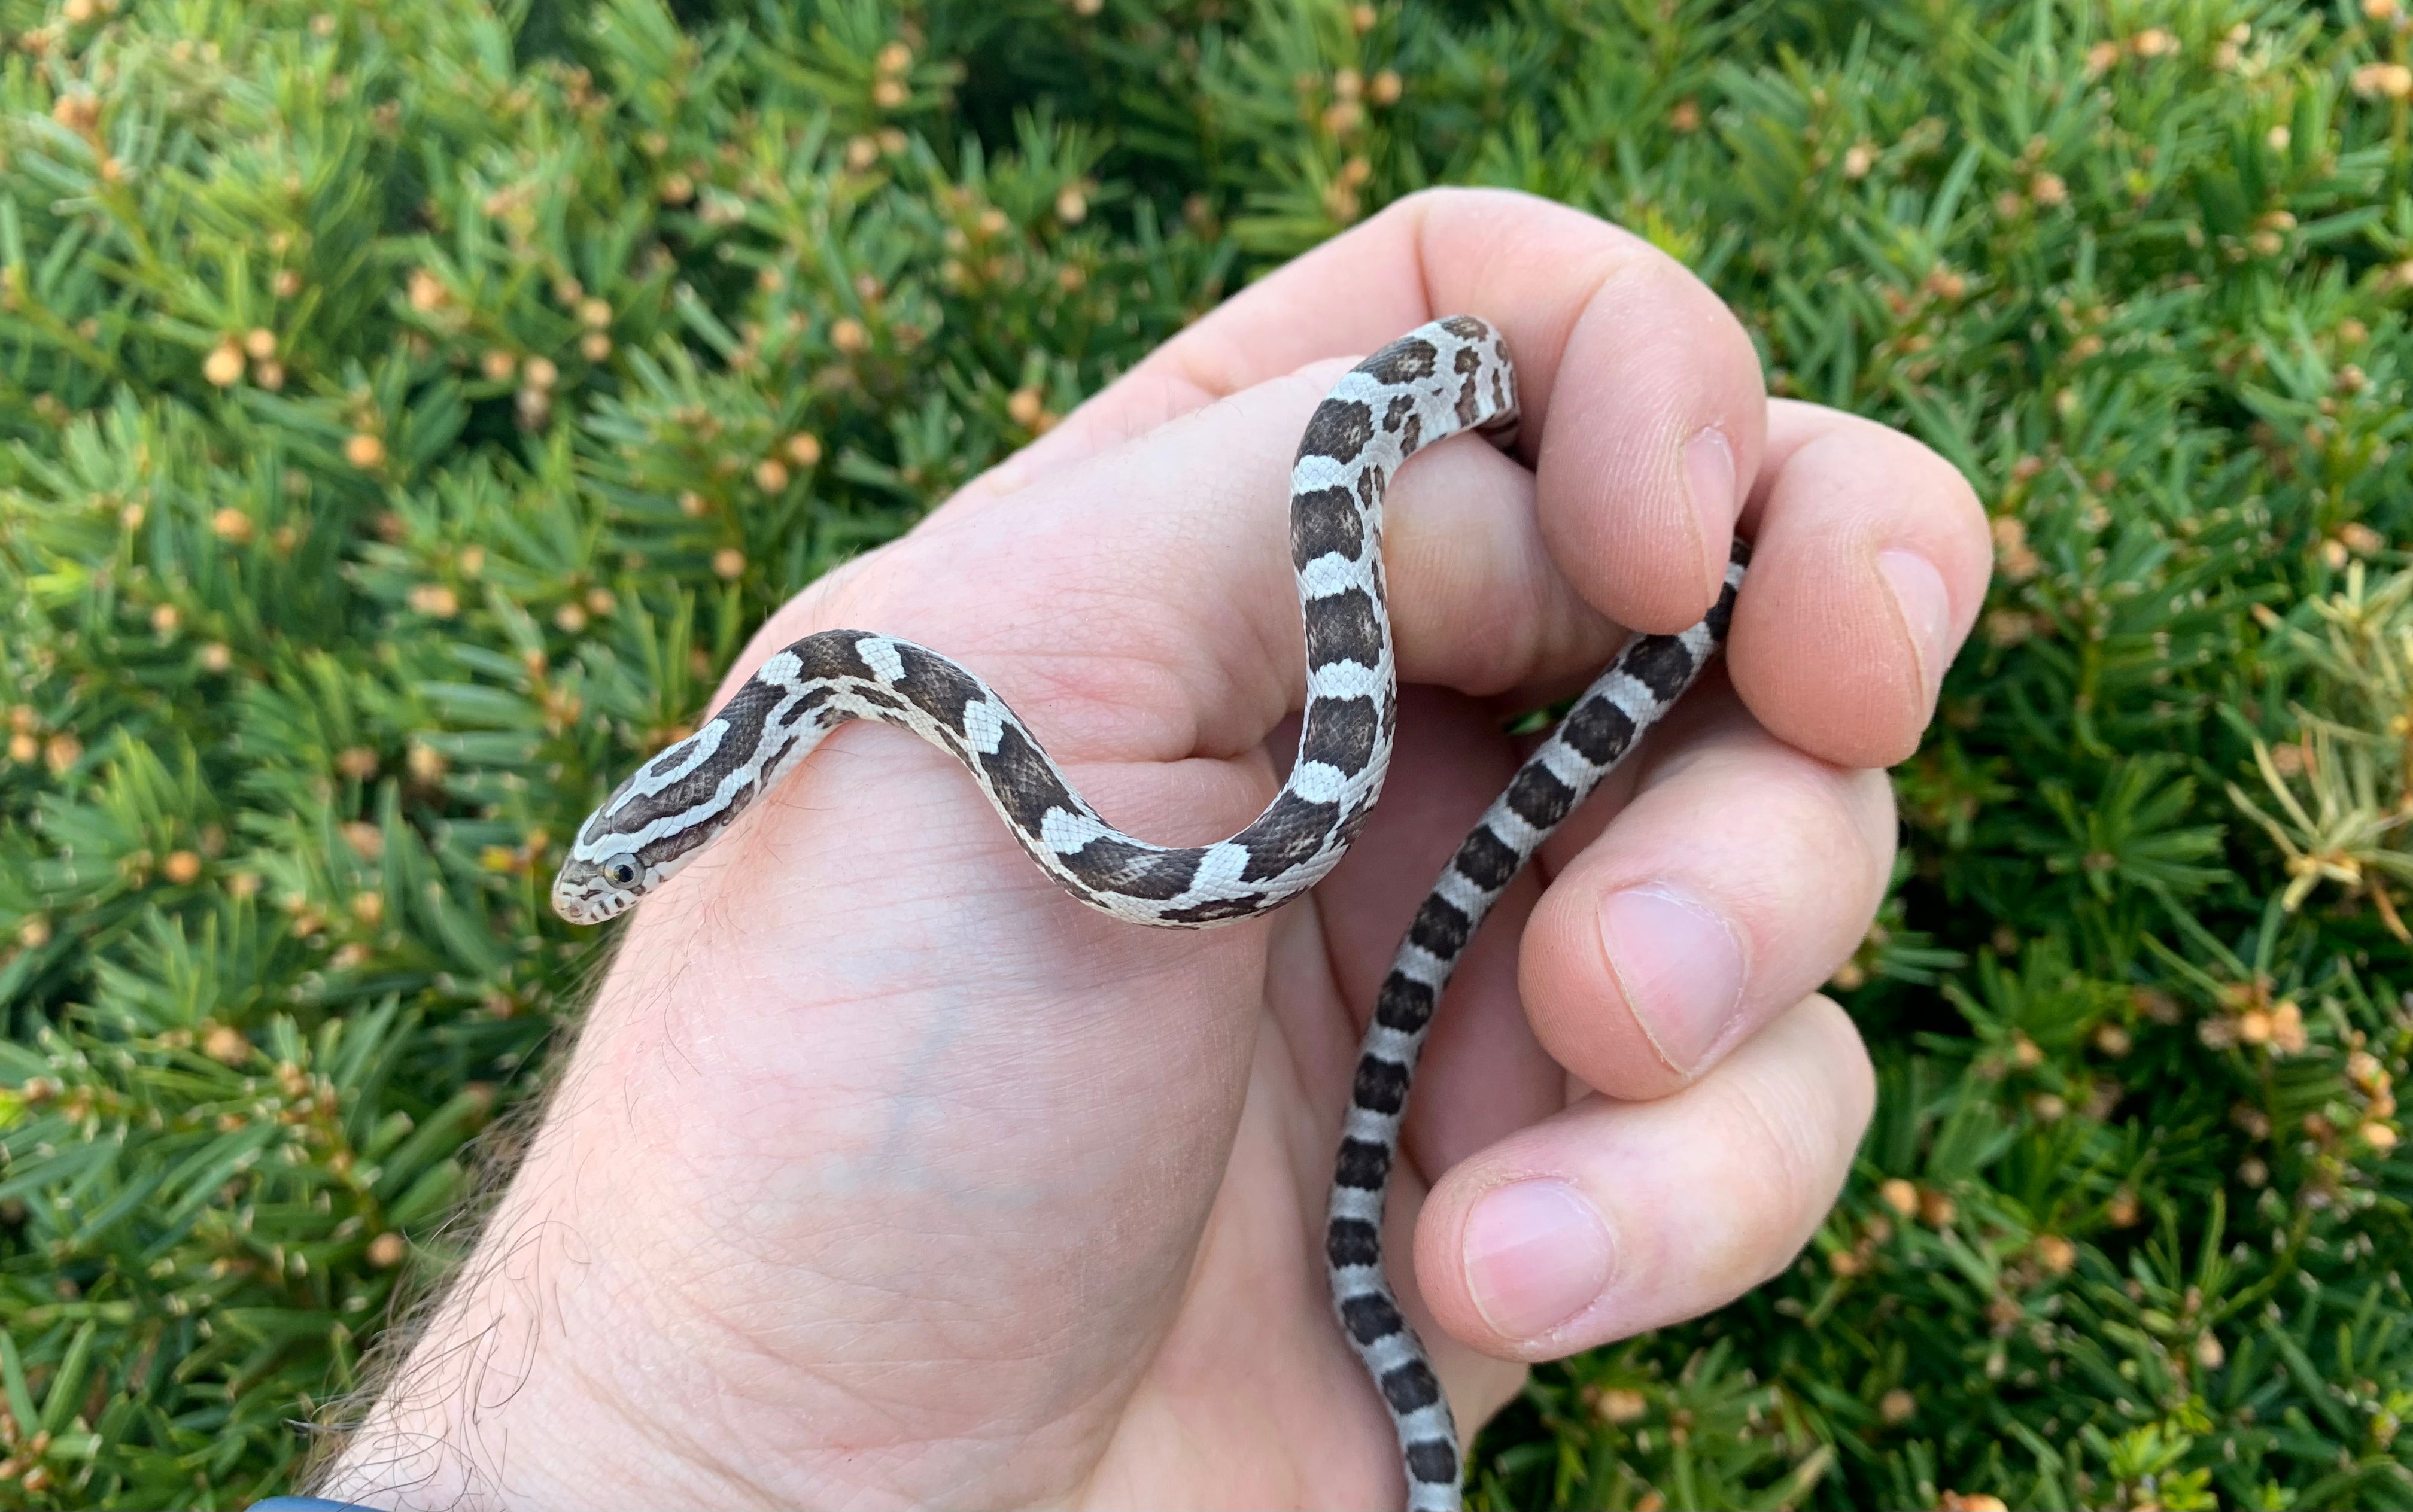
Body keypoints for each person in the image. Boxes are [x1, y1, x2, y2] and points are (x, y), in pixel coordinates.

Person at [305, 188, 1990, 1509]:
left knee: (1666, 589)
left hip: (1480, 515)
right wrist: (674, 1461)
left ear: (698, 801)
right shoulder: (864, 693)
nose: (613, 904)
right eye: (620, 881)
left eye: (623, 880)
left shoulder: (886, 678)